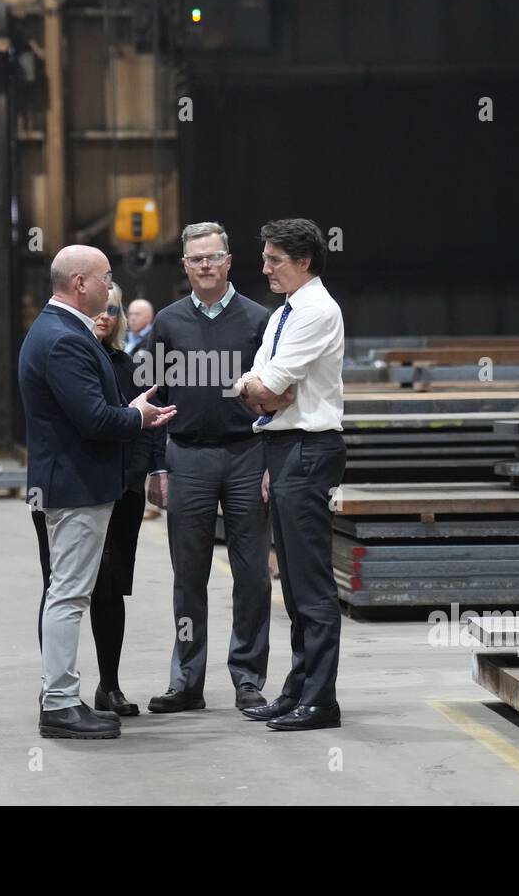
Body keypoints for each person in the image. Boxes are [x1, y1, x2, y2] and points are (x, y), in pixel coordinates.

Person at [18, 245, 176, 740]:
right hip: (75, 486)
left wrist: (129, 406)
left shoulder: (57, 331)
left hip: (69, 483)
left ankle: (61, 696)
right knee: (68, 595)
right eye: (106, 278)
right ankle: (61, 704)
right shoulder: (64, 339)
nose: (112, 289)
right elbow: (92, 419)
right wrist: (138, 417)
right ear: (80, 283)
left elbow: (86, 406)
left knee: (67, 593)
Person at [143, 221, 282, 714]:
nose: (205, 265)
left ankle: (247, 678)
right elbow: (152, 401)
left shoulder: (260, 320)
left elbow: (279, 397)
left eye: (213, 257)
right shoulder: (168, 323)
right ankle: (187, 682)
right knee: (188, 577)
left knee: (252, 575)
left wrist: (271, 463)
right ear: (184, 267)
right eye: (195, 259)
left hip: (248, 455)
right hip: (187, 459)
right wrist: (157, 467)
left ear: (228, 261)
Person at [234, 218, 346, 732]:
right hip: (283, 447)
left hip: (307, 448)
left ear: (304, 261)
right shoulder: (287, 313)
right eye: (265, 257)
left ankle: (321, 699)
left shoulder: (316, 311)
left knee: (312, 583)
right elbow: (257, 385)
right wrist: (255, 389)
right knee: (294, 584)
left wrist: (259, 388)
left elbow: (273, 382)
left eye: (275, 259)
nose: (265, 267)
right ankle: (299, 686)